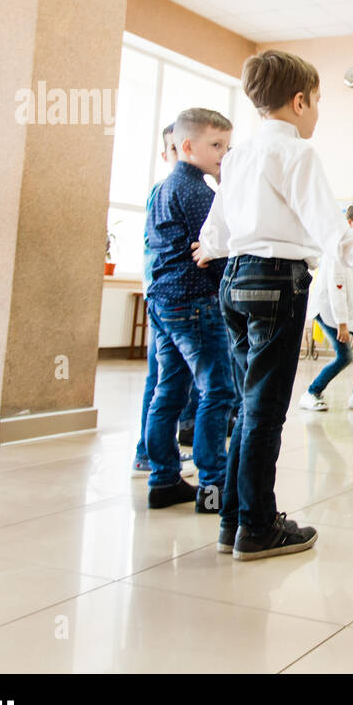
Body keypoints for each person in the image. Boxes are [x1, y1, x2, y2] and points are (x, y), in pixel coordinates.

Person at [195, 50, 353, 560]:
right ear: (299, 102)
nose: (317, 111)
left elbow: (215, 236)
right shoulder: (296, 155)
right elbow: (331, 231)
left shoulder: (238, 156)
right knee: (266, 413)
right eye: (317, 101)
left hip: (234, 281)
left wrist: (212, 249)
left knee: (248, 408)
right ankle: (257, 526)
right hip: (276, 282)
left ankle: (233, 521)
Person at [143, 109, 235, 512]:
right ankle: (213, 488)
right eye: (216, 146)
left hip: (162, 300)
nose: (223, 154)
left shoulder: (163, 188)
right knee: (217, 391)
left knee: (169, 391)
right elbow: (215, 253)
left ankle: (163, 480)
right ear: (187, 146)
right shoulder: (199, 192)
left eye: (227, 147)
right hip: (195, 302)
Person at [133, 123, 197, 476]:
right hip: (168, 296)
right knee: (162, 378)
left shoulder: (176, 190)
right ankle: (148, 454)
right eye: (175, 150)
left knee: (167, 378)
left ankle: (156, 451)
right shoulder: (169, 190)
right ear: (167, 154)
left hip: (164, 294)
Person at [299, 203, 353, 413]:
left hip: (351, 312)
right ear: (349, 223)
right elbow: (335, 289)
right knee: (345, 356)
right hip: (329, 311)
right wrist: (342, 324)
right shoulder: (337, 248)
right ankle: (312, 392)